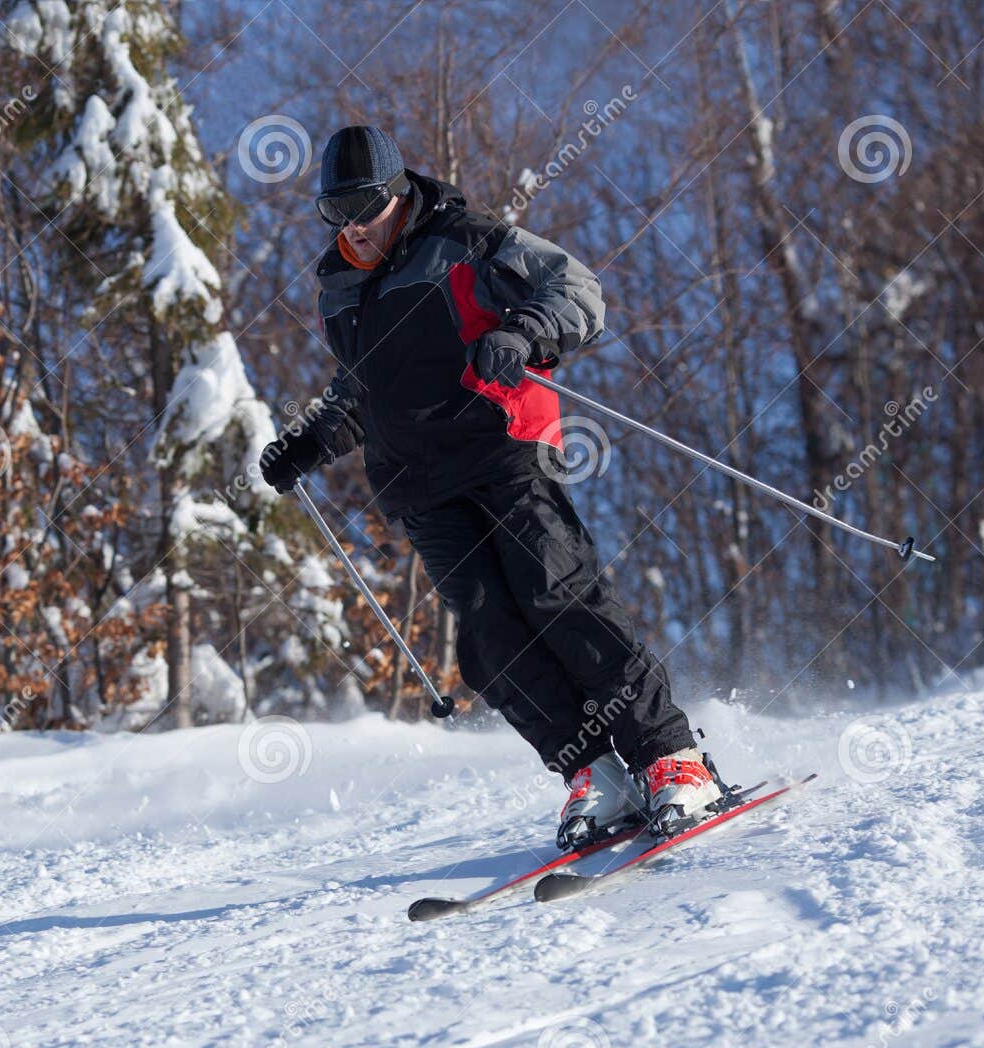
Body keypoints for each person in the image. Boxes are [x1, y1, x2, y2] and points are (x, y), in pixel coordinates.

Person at [259, 124, 730, 847]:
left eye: (362, 205)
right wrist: (314, 437)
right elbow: (361, 386)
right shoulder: (338, 285)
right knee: (491, 641)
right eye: (334, 211)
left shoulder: (470, 239)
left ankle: (671, 758)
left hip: (500, 445)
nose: (352, 225)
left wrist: (525, 332)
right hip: (418, 483)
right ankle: (596, 776)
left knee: (559, 597)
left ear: (396, 193)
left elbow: (577, 288)